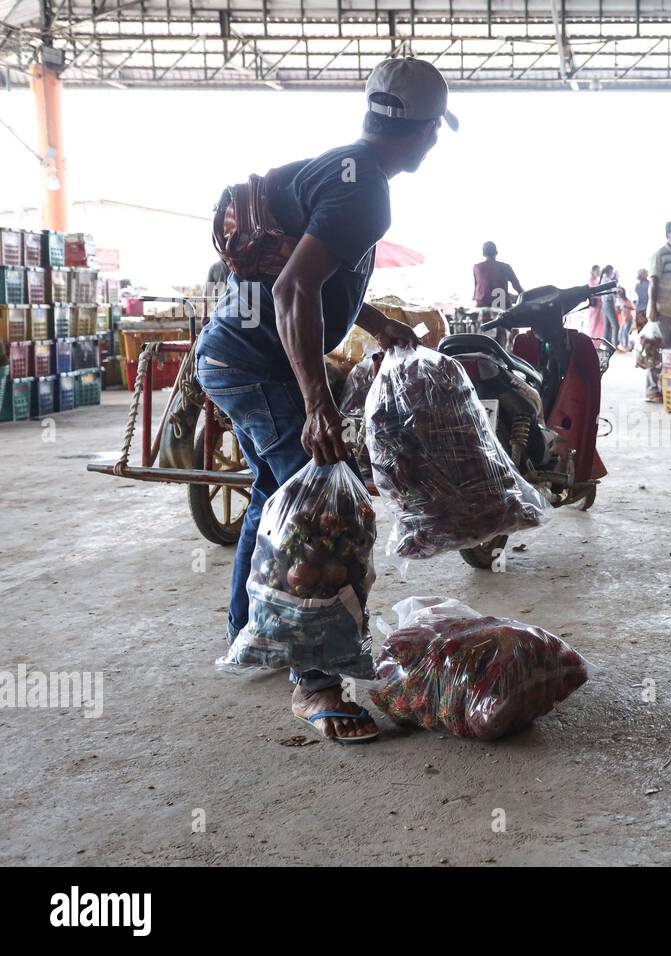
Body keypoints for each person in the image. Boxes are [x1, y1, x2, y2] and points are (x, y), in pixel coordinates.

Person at [193, 56, 451, 742]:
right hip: (255, 366)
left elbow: (318, 275)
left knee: (274, 496)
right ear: (427, 133)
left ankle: (253, 633)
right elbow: (291, 291)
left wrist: (376, 323)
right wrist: (317, 404)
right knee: (321, 512)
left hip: (230, 353)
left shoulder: (339, 167)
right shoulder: (367, 190)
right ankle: (315, 683)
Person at [645, 221, 671, 401]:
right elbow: (653, 282)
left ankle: (662, 387)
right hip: (660, 310)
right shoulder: (659, 255)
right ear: (668, 234)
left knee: (667, 351)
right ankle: (652, 389)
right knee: (656, 350)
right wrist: (653, 306)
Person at [472, 240, 522, 312]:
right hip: (502, 307)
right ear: (496, 253)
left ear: (483, 253)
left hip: (482, 306)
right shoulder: (506, 267)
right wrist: (526, 296)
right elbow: (517, 287)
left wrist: (474, 298)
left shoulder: (477, 267)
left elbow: (476, 287)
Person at [597, 265, 619, 343]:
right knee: (615, 325)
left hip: (606, 304)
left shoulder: (605, 279)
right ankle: (615, 345)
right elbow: (607, 294)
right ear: (609, 271)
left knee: (607, 326)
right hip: (608, 302)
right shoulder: (606, 280)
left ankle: (606, 345)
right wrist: (615, 291)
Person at [617, 287, 636, 351]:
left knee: (625, 332)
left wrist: (627, 307)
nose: (619, 293)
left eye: (620, 292)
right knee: (621, 332)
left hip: (628, 318)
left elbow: (633, 308)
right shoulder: (619, 300)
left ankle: (625, 345)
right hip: (623, 319)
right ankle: (622, 345)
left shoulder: (627, 300)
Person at [586, 264, 602, 338]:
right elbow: (593, 292)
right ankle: (593, 342)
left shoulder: (597, 280)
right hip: (594, 305)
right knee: (593, 324)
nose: (599, 272)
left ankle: (597, 342)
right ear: (593, 271)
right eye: (597, 271)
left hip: (599, 305)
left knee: (599, 324)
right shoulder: (590, 280)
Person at [634, 268, 650, 332]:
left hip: (639, 309)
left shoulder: (637, 285)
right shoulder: (650, 284)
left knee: (640, 330)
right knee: (648, 330)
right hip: (647, 309)